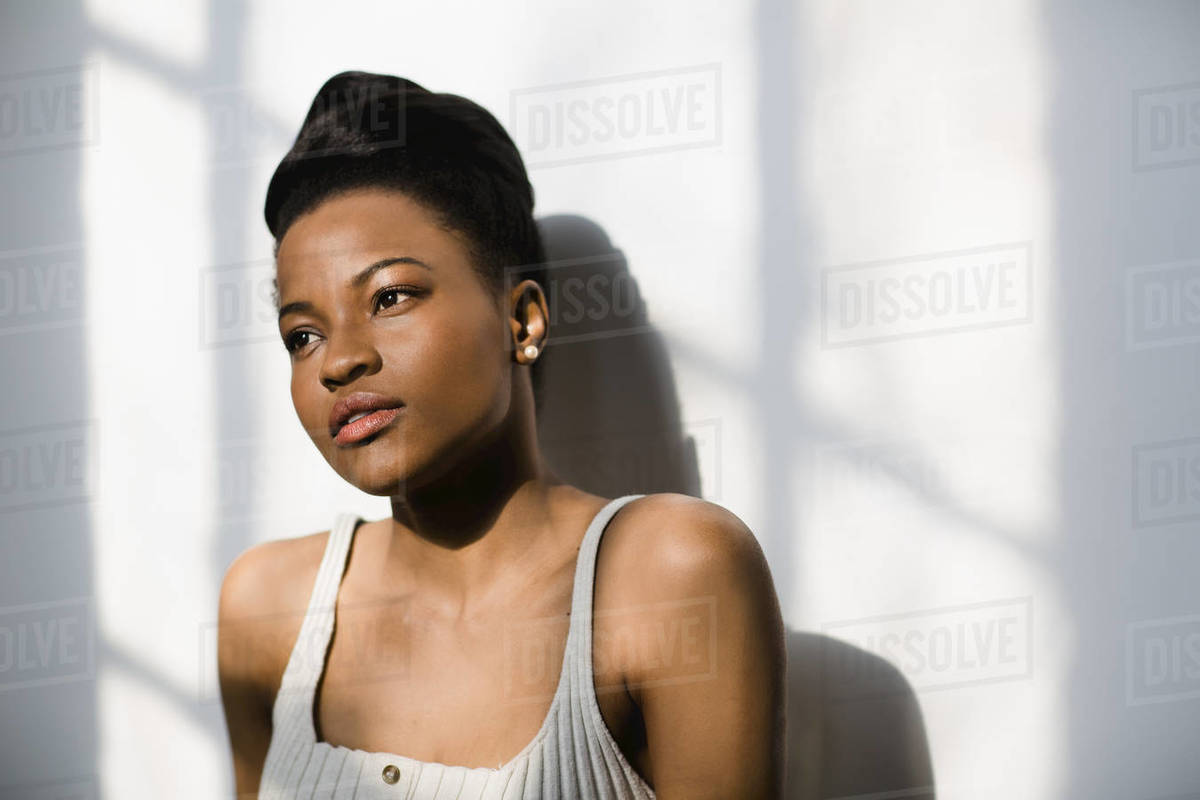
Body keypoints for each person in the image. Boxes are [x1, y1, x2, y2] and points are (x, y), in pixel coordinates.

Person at [216, 70, 785, 799]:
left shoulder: (667, 574)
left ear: (522, 320)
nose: (340, 359)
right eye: (301, 334)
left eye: (389, 296)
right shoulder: (268, 606)